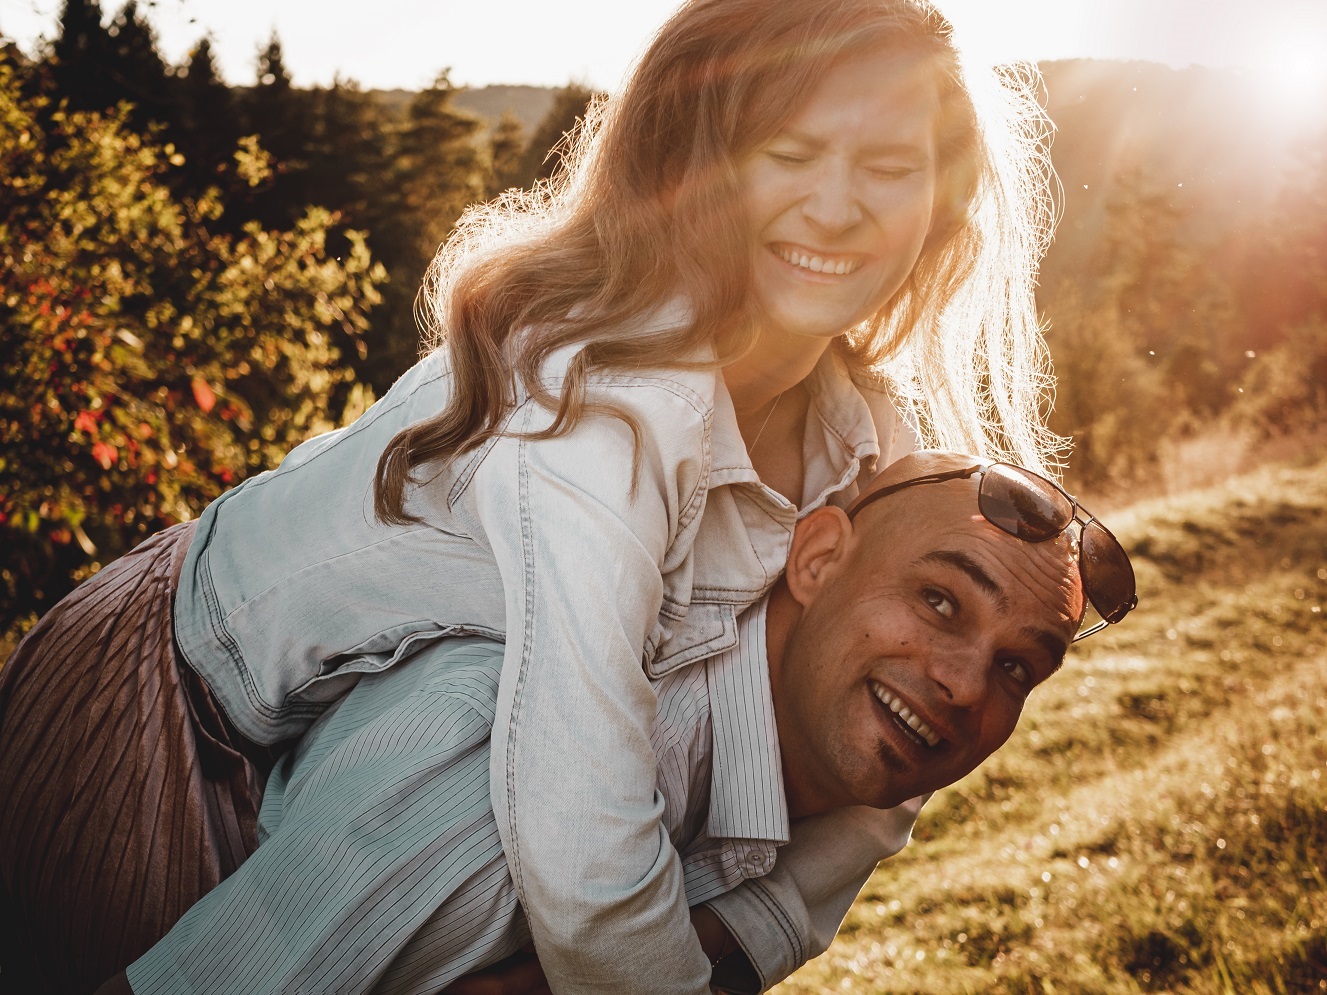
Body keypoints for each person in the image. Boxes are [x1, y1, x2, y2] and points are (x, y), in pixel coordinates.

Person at [0, 1, 1060, 992]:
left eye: (887, 166)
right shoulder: (603, 394)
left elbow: (882, 757)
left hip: (368, 738)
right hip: (175, 699)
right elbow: (579, 810)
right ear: (700, 164)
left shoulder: (863, 435)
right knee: (459, 814)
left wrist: (752, 932)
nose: (835, 206)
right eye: (787, 154)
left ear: (942, 198)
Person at [113, 451, 1135, 995]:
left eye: (1016, 667)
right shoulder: (494, 770)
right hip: (142, 693)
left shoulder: (817, 792)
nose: (963, 686)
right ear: (815, 557)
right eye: (940, 599)